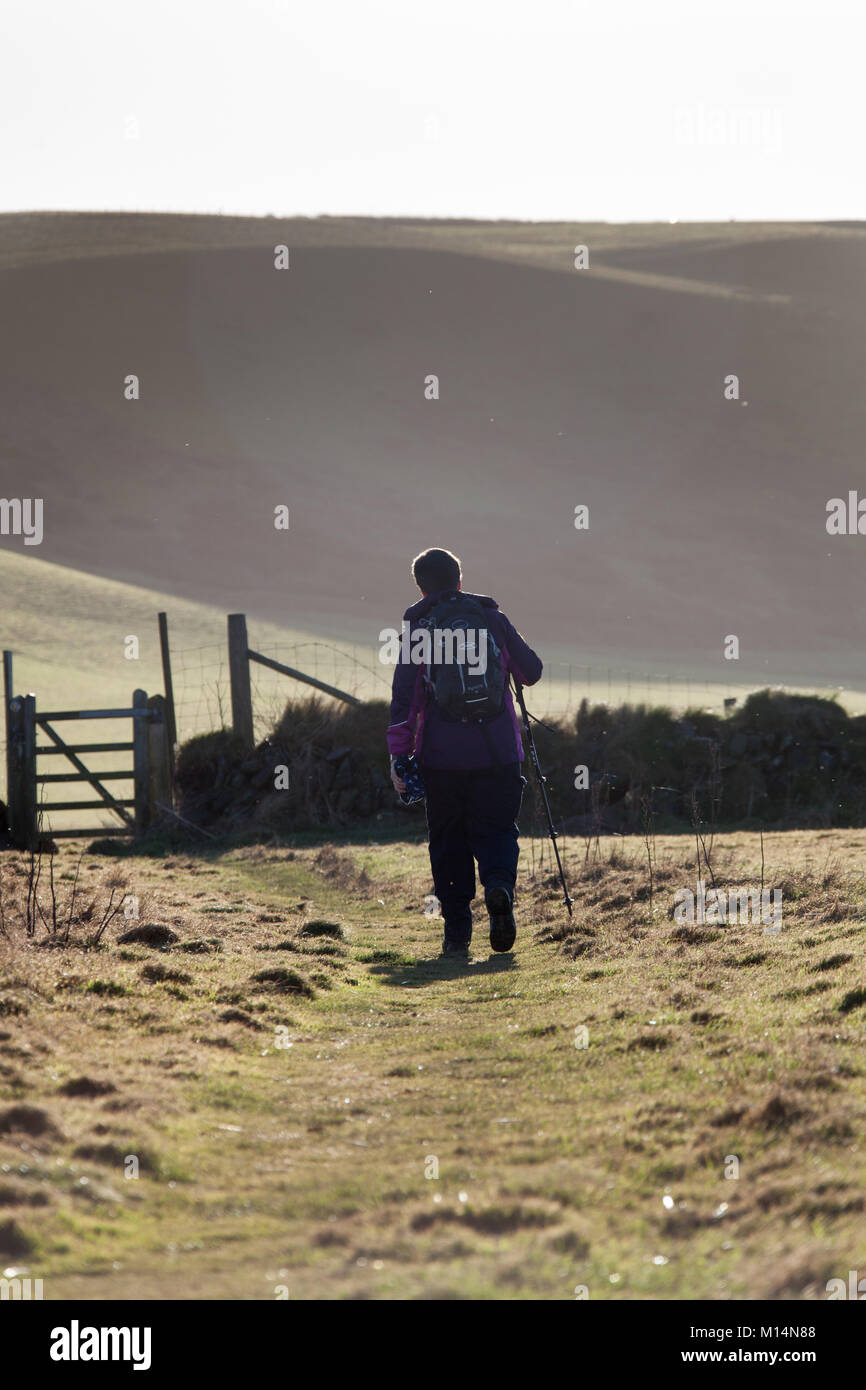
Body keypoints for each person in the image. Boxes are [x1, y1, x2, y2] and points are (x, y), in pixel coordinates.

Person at [386, 547, 543, 956]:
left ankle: (457, 934)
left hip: (441, 758)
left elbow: (405, 702)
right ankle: (499, 889)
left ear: (420, 587)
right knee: (497, 831)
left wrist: (399, 757)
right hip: (499, 753)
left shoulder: (420, 631)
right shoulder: (492, 619)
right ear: (460, 580)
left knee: (448, 842)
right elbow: (532, 671)